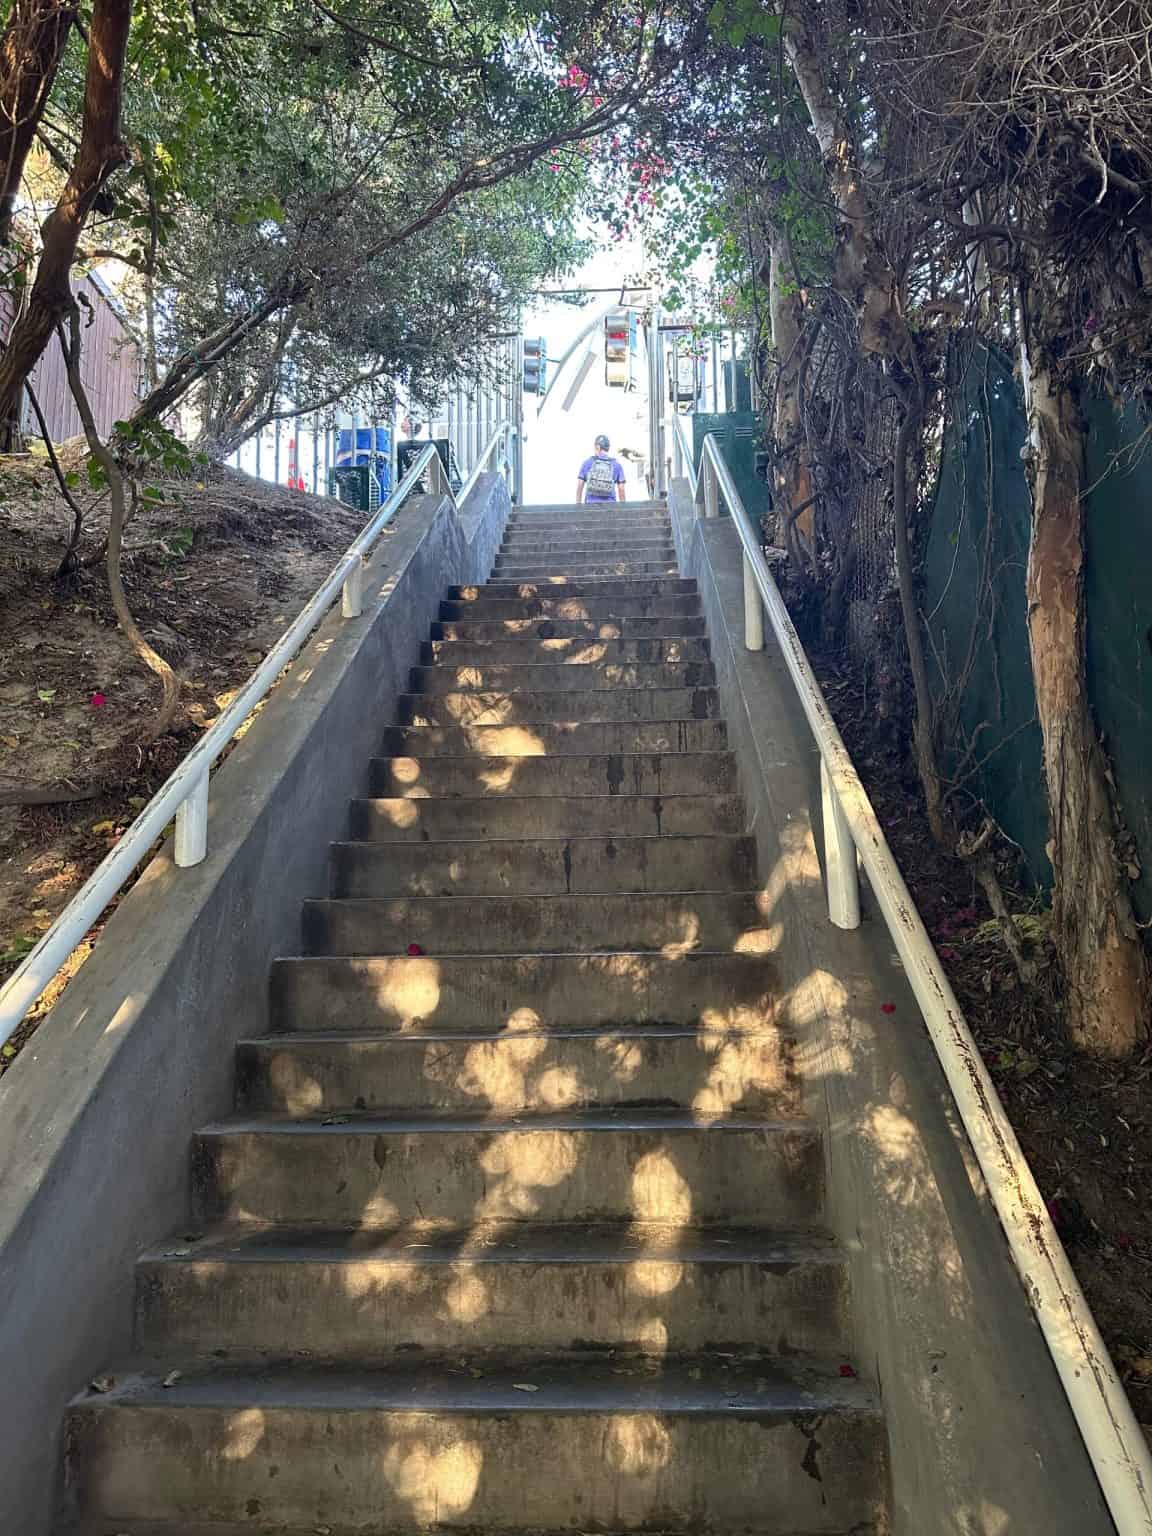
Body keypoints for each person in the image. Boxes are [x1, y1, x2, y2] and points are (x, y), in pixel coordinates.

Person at [576, 434, 627, 504]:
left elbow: (580, 486)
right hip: (610, 507)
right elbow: (621, 489)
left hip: (590, 506)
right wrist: (623, 508)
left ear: (597, 447)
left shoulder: (587, 463)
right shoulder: (616, 465)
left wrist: (578, 505)